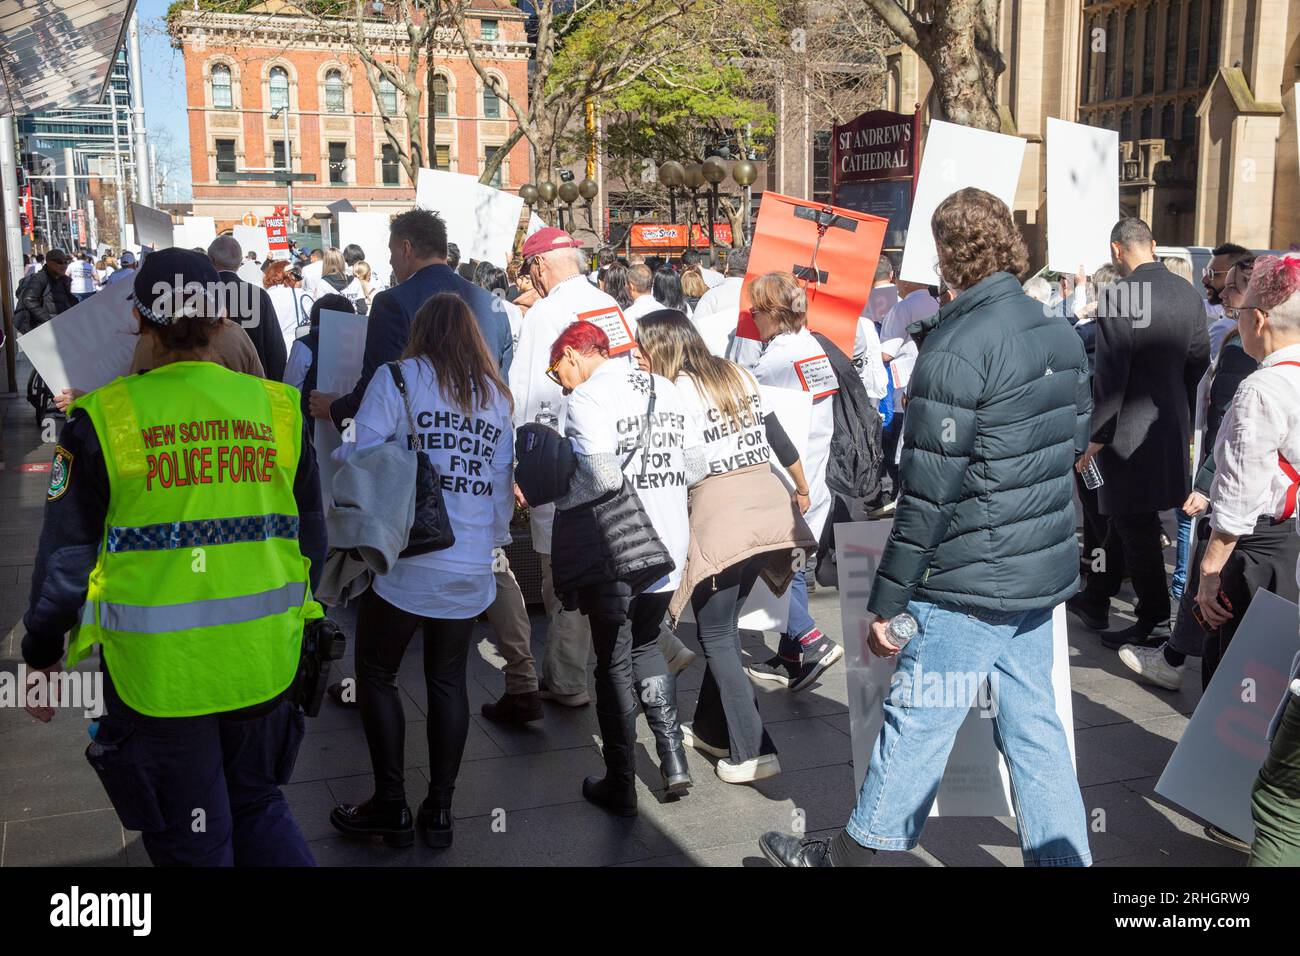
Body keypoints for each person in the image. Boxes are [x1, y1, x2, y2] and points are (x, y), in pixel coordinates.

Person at [759, 187, 1093, 868]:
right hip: (1035, 569)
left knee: (917, 726)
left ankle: (848, 859)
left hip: (969, 577)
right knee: (1036, 733)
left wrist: (886, 603)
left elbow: (928, 495)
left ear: (945, 254)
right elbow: (1070, 442)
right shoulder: (1057, 329)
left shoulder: (955, 346)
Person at [20, 248, 325, 866]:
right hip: (264, 663)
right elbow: (312, 539)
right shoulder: (278, 411)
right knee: (259, 805)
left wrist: (40, 652)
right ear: (219, 318)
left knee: (193, 838)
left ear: (138, 319)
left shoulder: (100, 420)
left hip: (161, 679)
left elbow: (66, 559)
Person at [329, 293, 513, 849]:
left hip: (408, 557)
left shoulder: (399, 378)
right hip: (470, 558)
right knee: (447, 681)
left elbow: (351, 451)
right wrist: (488, 539)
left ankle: (391, 804)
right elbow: (503, 486)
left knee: (378, 673)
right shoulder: (496, 396)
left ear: (421, 333)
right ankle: (440, 810)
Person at [635, 310, 816, 783]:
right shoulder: (737, 372)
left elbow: (689, 466)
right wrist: (800, 487)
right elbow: (776, 435)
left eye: (643, 349)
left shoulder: (673, 391)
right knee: (725, 626)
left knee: (714, 634)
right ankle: (716, 732)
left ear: (660, 348)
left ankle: (754, 749)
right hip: (771, 504)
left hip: (722, 515)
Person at [1174, 255, 1300, 867]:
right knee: (1276, 679)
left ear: (1260, 319)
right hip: (1292, 545)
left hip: (1257, 548)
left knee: (1242, 682)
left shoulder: (1262, 387)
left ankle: (1237, 807)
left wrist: (1207, 574)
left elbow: (1239, 498)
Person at [547, 320, 700, 811]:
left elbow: (602, 476)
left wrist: (552, 491)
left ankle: (620, 781)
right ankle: (673, 760)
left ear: (574, 354)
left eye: (558, 371)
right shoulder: (669, 388)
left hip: (618, 546)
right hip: (669, 543)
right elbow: (696, 467)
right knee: (648, 644)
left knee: (611, 663)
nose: (561, 382)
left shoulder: (589, 399)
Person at [1118, 257, 1277, 694]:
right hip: (1261, 516)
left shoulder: (1255, 371)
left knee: (1223, 610)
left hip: (1249, 516)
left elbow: (1236, 441)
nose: (1222, 297)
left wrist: (1206, 485)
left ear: (1259, 309)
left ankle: (1183, 665)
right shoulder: (1238, 346)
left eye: (1233, 293)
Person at [1071, 217, 1211, 649]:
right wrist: (1178, 408)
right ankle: (1098, 596)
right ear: (1153, 244)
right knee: (1128, 520)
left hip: (1127, 434)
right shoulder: (1188, 294)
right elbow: (1198, 359)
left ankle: (1153, 619)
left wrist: (1096, 438)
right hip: (1167, 426)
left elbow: (1111, 379)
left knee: (1134, 524)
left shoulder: (1119, 296)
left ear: (1117, 250)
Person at [508, 227, 618, 708]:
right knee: (607, 554)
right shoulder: (608, 305)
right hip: (613, 452)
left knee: (561, 568)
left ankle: (568, 678)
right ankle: (657, 648)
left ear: (539, 268)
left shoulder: (547, 312)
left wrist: (520, 465)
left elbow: (528, 396)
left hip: (564, 455)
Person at [311, 209, 511, 433]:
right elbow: (501, 387)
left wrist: (334, 409)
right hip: (484, 442)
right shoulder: (492, 305)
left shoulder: (392, 303)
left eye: (391, 251)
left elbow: (378, 387)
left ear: (406, 248)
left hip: (421, 446)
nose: (389, 260)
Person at [741, 271, 844, 692]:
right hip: (816, 469)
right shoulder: (812, 347)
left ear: (771, 312)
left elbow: (762, 420)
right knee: (797, 562)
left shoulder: (775, 361)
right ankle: (790, 655)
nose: (751, 316)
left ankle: (810, 639)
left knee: (777, 563)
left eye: (755, 309)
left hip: (791, 476)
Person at [877, 277, 939, 491]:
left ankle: (900, 492)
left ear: (907, 280)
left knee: (899, 447)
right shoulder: (939, 303)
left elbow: (886, 352)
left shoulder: (902, 308)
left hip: (902, 388)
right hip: (933, 382)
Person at [209, 235, 288, 382]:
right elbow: (275, 348)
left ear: (211, 260)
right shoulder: (259, 295)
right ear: (239, 263)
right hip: (254, 386)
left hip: (210, 385)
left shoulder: (201, 295)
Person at [285, 293, 355, 412]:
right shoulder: (356, 345)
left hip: (310, 417)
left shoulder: (305, 345)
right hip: (347, 418)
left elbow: (290, 388)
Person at [692, 247, 755, 365]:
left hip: (715, 367)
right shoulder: (759, 296)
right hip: (750, 368)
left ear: (727, 268)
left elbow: (694, 333)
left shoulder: (711, 296)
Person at [1202, 242, 1253, 360]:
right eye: (1205, 272)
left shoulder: (1223, 329)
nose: (1204, 280)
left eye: (1211, 274)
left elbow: (1214, 376)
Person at [264, 260, 313, 355]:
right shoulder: (301, 294)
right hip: (297, 348)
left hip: (272, 350)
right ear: (289, 275)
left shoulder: (265, 295)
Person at [17, 248, 75, 329]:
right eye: (60, 262)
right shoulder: (40, 278)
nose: (64, 265)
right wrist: (48, 320)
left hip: (61, 325)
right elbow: (28, 299)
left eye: (66, 262)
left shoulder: (63, 279)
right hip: (44, 329)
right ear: (49, 263)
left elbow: (70, 300)